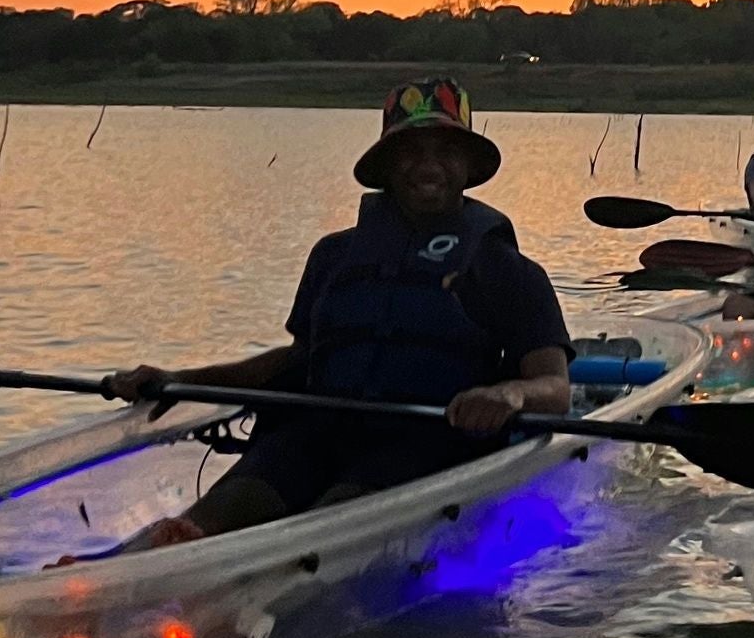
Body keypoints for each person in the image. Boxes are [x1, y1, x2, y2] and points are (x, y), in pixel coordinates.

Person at [100, 79, 573, 553]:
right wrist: (179, 379)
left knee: (322, 526)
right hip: (318, 434)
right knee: (195, 525)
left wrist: (508, 394)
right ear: (386, 165)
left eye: (447, 150)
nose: (428, 165)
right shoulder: (333, 256)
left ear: (469, 167)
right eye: (410, 151)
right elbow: (295, 361)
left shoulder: (509, 270)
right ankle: (96, 584)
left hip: (429, 441)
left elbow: (555, 390)